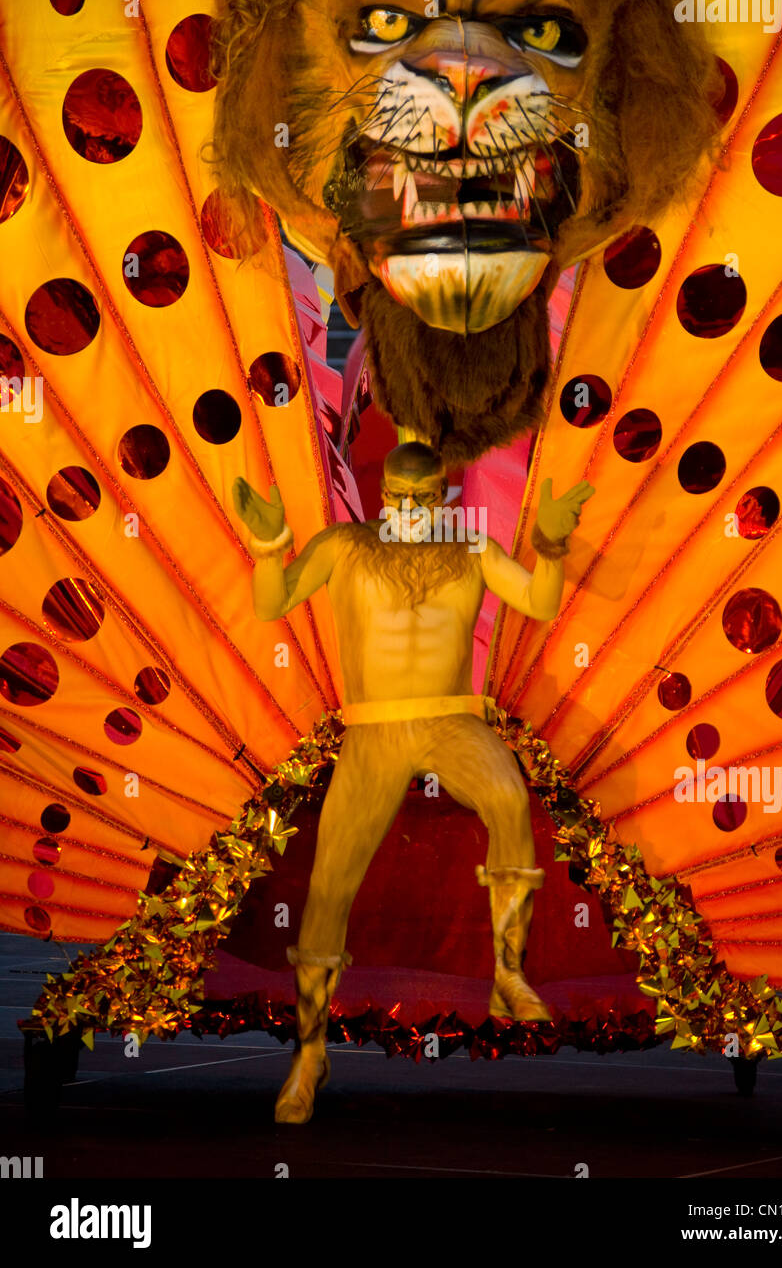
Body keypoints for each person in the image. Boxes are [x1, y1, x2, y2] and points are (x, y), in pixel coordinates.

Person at [232, 443, 593, 1122]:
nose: (406, 510)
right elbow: (273, 604)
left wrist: (549, 545)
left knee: (510, 799)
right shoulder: (344, 546)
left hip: (452, 721)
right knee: (329, 886)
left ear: (442, 497)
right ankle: (309, 1055)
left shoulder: (473, 551)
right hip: (373, 728)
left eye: (420, 499)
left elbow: (540, 605)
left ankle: (508, 973)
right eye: (395, 497)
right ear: (382, 496)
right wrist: (266, 546)